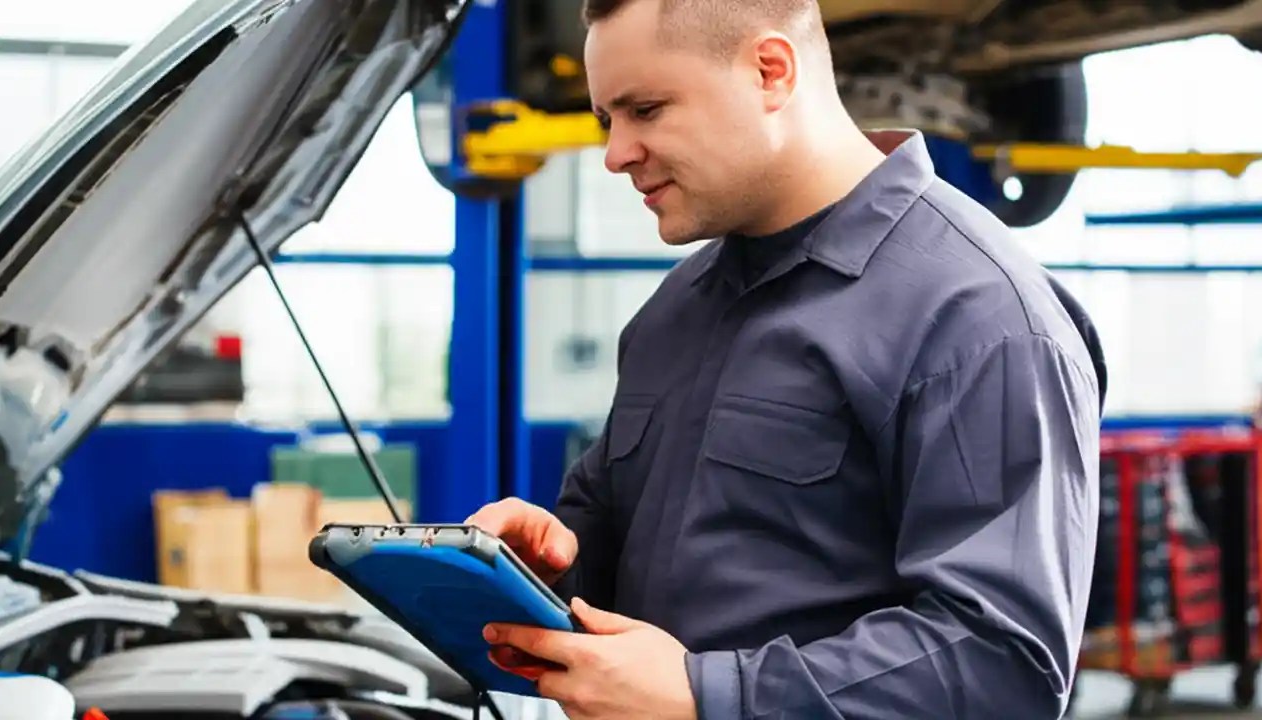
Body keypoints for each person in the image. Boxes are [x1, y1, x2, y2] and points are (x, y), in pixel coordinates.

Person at [469, 0, 1108, 717]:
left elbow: (1002, 663)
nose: (616, 153)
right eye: (605, 121)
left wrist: (705, 696)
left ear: (771, 72)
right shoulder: (676, 308)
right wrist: (542, 568)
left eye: (645, 109)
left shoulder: (981, 316)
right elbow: (627, 558)